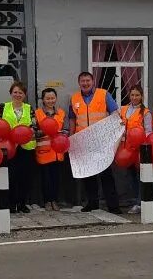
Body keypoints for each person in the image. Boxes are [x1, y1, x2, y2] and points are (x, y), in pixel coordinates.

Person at [68, 71, 122, 213]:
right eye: (83, 81)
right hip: (83, 142)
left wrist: (114, 131)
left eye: (88, 81)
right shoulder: (74, 98)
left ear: (93, 82)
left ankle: (113, 206)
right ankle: (92, 203)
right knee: (88, 174)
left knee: (106, 174)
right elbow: (72, 119)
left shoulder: (103, 94)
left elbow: (114, 113)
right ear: (79, 83)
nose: (85, 83)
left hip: (101, 141)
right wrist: (71, 137)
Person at [0, 81, 36, 213]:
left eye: (21, 92)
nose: (18, 95)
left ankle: (22, 203)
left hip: (26, 147)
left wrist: (29, 132)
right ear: (11, 93)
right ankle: (11, 203)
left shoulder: (29, 108)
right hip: (9, 147)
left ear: (24, 95)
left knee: (24, 177)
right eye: (15, 92)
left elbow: (35, 125)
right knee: (11, 176)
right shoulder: (3, 107)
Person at [119, 84, 152, 214]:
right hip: (126, 149)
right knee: (130, 176)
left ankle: (140, 202)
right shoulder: (123, 109)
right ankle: (134, 201)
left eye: (137, 95)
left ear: (142, 96)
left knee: (140, 176)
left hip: (139, 149)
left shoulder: (145, 112)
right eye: (132, 95)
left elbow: (148, 132)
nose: (134, 97)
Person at [34, 87, 67, 211]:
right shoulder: (37, 113)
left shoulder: (61, 113)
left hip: (58, 152)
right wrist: (46, 130)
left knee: (56, 178)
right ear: (43, 100)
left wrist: (61, 133)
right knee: (45, 178)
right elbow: (34, 132)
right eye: (47, 98)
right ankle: (47, 201)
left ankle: (54, 200)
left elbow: (66, 130)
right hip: (44, 152)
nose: (50, 100)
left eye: (52, 98)